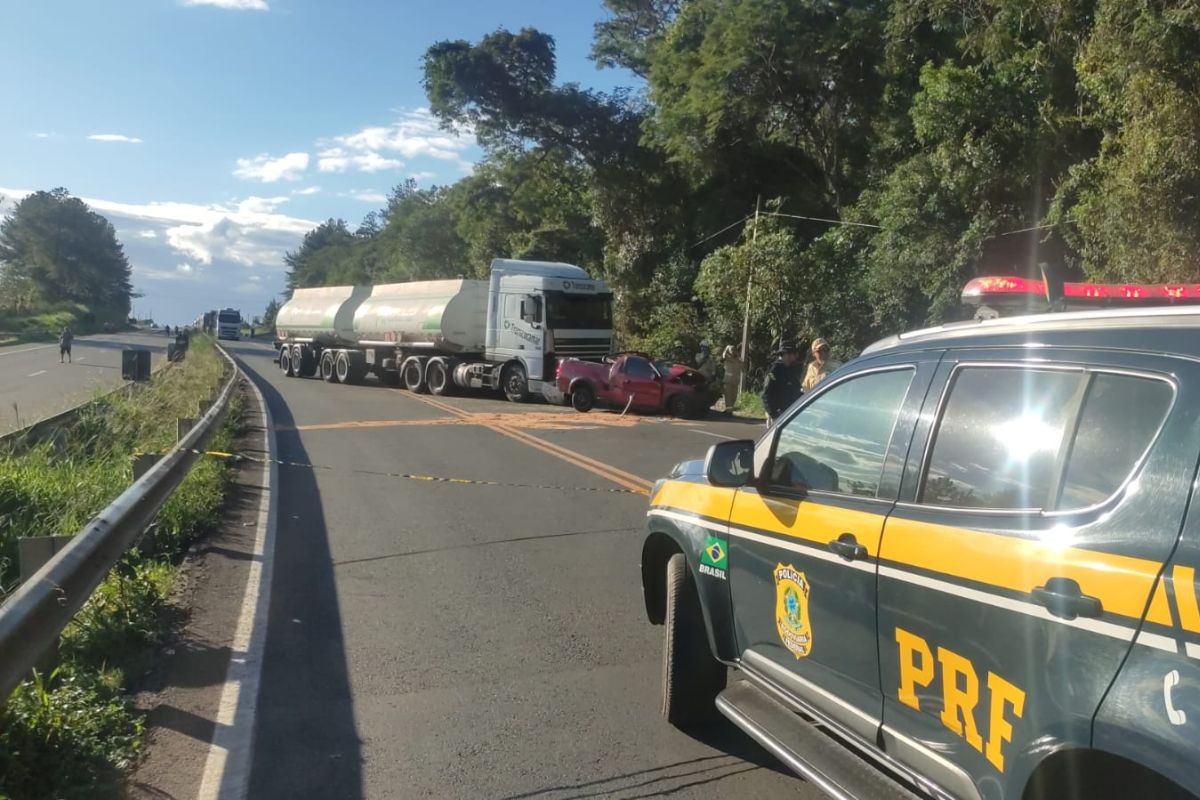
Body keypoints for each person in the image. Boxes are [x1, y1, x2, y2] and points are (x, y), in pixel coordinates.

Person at [761, 341, 803, 423]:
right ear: (786, 354)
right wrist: (773, 414)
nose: (796, 357)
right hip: (778, 416)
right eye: (794, 354)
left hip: (789, 413)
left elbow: (796, 390)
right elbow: (766, 394)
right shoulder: (774, 371)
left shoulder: (791, 370)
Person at [720, 345, 742, 414]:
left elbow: (743, 365)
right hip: (728, 380)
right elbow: (723, 356)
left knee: (733, 396)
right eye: (731, 350)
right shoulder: (727, 358)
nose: (733, 351)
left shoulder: (738, 359)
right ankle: (728, 410)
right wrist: (726, 348)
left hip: (735, 381)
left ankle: (730, 410)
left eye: (734, 349)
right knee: (728, 396)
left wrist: (738, 354)